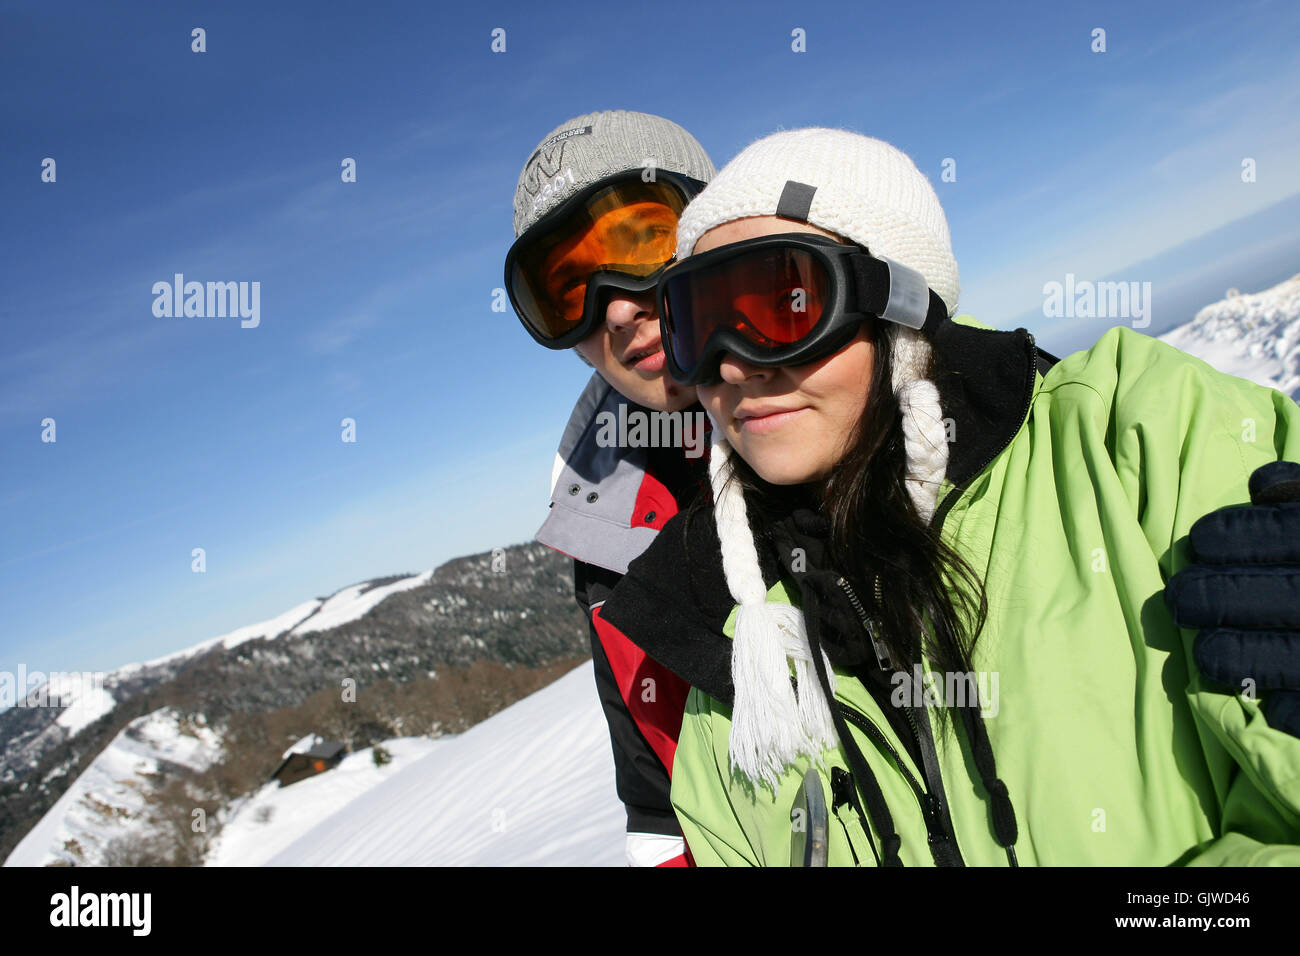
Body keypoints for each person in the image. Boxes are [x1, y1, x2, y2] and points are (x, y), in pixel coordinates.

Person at [598, 128, 1300, 865]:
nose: (731, 367)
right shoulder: (732, 658)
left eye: (786, 304)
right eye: (698, 325)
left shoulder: (1131, 441)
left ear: (896, 302)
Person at [505, 110, 715, 866]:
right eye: (569, 292)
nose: (617, 308)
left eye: (642, 242)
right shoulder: (607, 540)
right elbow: (660, 805)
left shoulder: (895, 398)